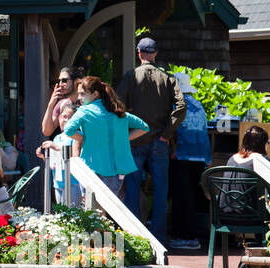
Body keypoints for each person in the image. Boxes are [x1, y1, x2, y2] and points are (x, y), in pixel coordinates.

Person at [115, 37, 186, 246]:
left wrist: (125, 133)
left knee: (132, 190)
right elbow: (181, 107)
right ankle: (159, 240)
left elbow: (117, 106)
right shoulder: (168, 78)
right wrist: (167, 133)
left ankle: (133, 239)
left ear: (139, 54)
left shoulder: (130, 76)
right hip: (159, 141)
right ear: (155, 54)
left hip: (135, 140)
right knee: (161, 191)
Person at [62, 77, 149, 200]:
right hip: (116, 170)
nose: (79, 97)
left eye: (82, 94)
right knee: (105, 210)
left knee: (91, 210)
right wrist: (124, 138)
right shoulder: (118, 112)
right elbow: (144, 127)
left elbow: (68, 129)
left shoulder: (84, 111)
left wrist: (82, 138)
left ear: (95, 94)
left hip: (91, 167)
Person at [167, 71, 211, 250]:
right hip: (200, 155)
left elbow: (173, 128)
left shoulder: (175, 104)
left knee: (181, 196)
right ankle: (192, 234)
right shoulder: (198, 104)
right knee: (192, 195)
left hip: (182, 154)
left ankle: (186, 236)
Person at [35, 97, 82, 207]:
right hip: (58, 182)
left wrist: (56, 147)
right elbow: (54, 163)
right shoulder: (57, 138)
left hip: (73, 183)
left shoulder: (77, 136)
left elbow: (76, 157)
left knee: (72, 214)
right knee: (62, 214)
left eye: (70, 118)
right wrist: (44, 156)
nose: (66, 120)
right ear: (59, 118)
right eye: (64, 117)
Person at [41, 67, 82, 137]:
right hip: (66, 146)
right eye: (59, 81)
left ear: (76, 81)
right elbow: (46, 131)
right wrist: (50, 105)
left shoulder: (87, 103)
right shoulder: (62, 104)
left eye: (64, 80)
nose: (60, 84)